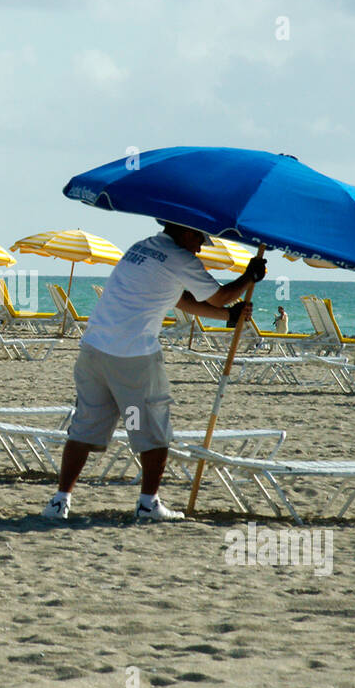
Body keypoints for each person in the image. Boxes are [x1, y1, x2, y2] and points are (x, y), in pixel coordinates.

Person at [42, 221, 267, 522]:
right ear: (187, 232)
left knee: (85, 427)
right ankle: (148, 503)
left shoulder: (141, 248)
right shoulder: (180, 258)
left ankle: (60, 501)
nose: (200, 247)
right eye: (200, 239)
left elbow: (178, 299)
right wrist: (249, 276)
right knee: (151, 430)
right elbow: (218, 296)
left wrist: (227, 315)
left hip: (94, 351)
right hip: (132, 359)